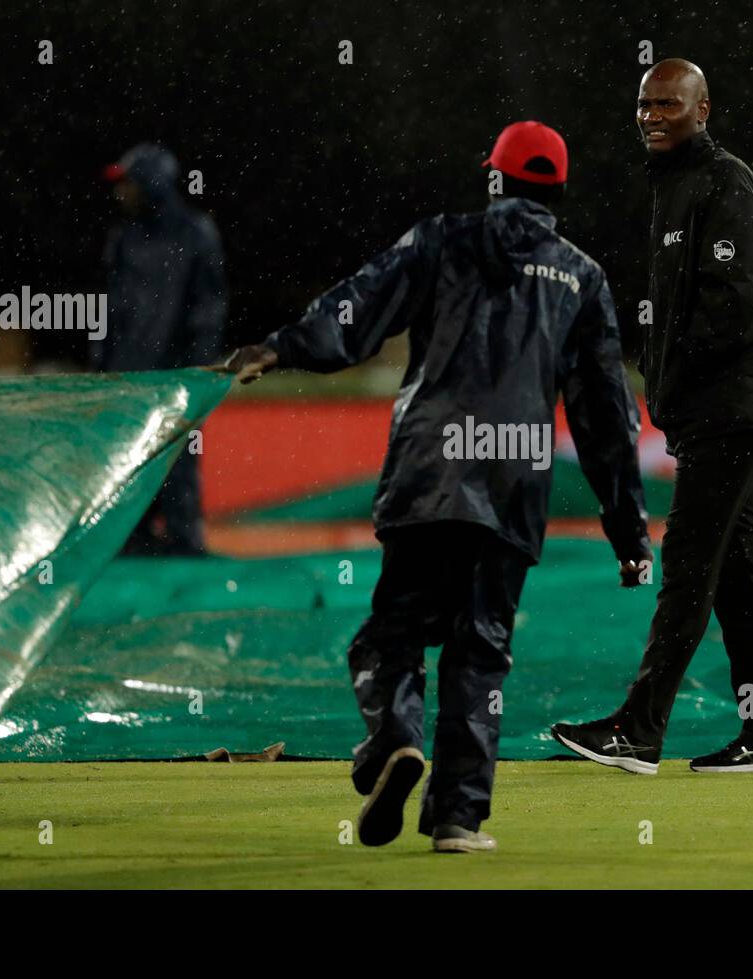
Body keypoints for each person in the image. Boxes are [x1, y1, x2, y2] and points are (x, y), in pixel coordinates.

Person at [218, 121, 651, 851]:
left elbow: (357, 311)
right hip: (513, 484)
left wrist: (280, 346)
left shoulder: (440, 240)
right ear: (559, 191)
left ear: (494, 178)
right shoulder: (581, 277)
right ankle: (458, 816)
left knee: (392, 634)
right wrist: (628, 530)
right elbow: (604, 413)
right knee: (480, 651)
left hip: (429, 470)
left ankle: (395, 736)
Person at [551, 59, 753, 774]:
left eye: (668, 103)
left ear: (703, 110)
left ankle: (638, 729)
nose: (652, 116)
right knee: (737, 573)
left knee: (690, 567)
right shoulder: (675, 184)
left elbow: (735, 305)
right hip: (718, 408)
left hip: (732, 408)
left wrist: (676, 379)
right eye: (644, 104)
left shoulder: (725, 181)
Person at [96, 143, 227, 556]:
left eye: (129, 183)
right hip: (128, 378)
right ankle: (133, 541)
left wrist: (198, 369)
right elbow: (109, 308)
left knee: (178, 463)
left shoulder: (196, 232)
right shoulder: (124, 237)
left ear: (151, 182)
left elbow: (208, 306)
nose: (121, 193)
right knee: (127, 464)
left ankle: (183, 542)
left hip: (175, 377)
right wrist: (102, 368)